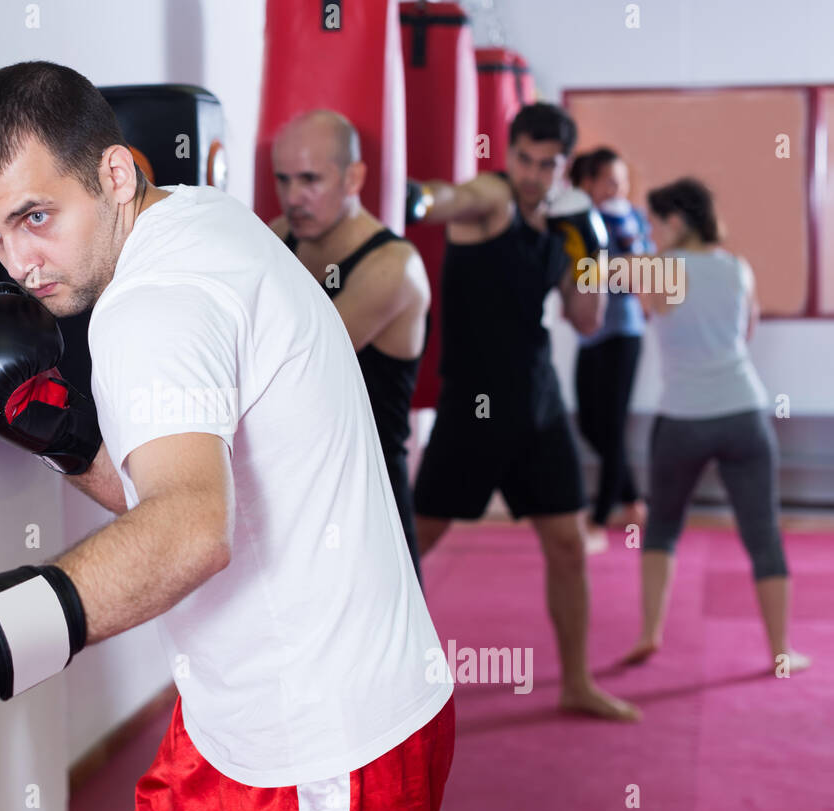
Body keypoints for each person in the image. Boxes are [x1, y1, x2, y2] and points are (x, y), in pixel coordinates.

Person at [0, 61, 455, 811]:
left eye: (35, 216)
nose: (19, 263)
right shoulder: (196, 214)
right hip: (238, 717)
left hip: (317, 752)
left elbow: (193, 528)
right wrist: (62, 435)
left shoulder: (151, 306)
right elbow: (171, 495)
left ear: (115, 173)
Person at [407, 102, 640, 721]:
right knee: (412, 541)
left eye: (546, 165)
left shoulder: (562, 229)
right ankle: (372, 682)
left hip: (537, 402)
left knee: (567, 544)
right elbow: (449, 200)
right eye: (524, 160)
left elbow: (586, 321)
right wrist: (415, 199)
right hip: (471, 406)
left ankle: (576, 682)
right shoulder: (493, 200)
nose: (532, 174)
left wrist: (589, 249)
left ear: (564, 167)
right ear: (508, 154)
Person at [622, 177, 810, 673]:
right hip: (742, 411)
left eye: (654, 223)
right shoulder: (736, 268)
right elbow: (745, 333)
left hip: (681, 418)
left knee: (662, 528)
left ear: (675, 221)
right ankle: (781, 650)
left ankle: (650, 632)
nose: (651, 232)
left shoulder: (658, 269)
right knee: (763, 533)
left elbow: (607, 285)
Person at [268, 109, 430, 584]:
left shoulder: (393, 266)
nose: (293, 198)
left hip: (370, 496)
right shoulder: (277, 238)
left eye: (310, 180)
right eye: (283, 179)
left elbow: (296, 367)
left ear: (353, 177)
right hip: (297, 489)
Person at [570, 147, 650, 553]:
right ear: (588, 184)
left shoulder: (631, 219)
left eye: (623, 181)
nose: (620, 189)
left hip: (623, 331)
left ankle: (598, 519)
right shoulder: (578, 220)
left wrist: (624, 239)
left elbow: (640, 275)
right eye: (611, 181)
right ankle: (633, 500)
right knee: (589, 422)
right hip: (589, 334)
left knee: (613, 425)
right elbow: (578, 275)